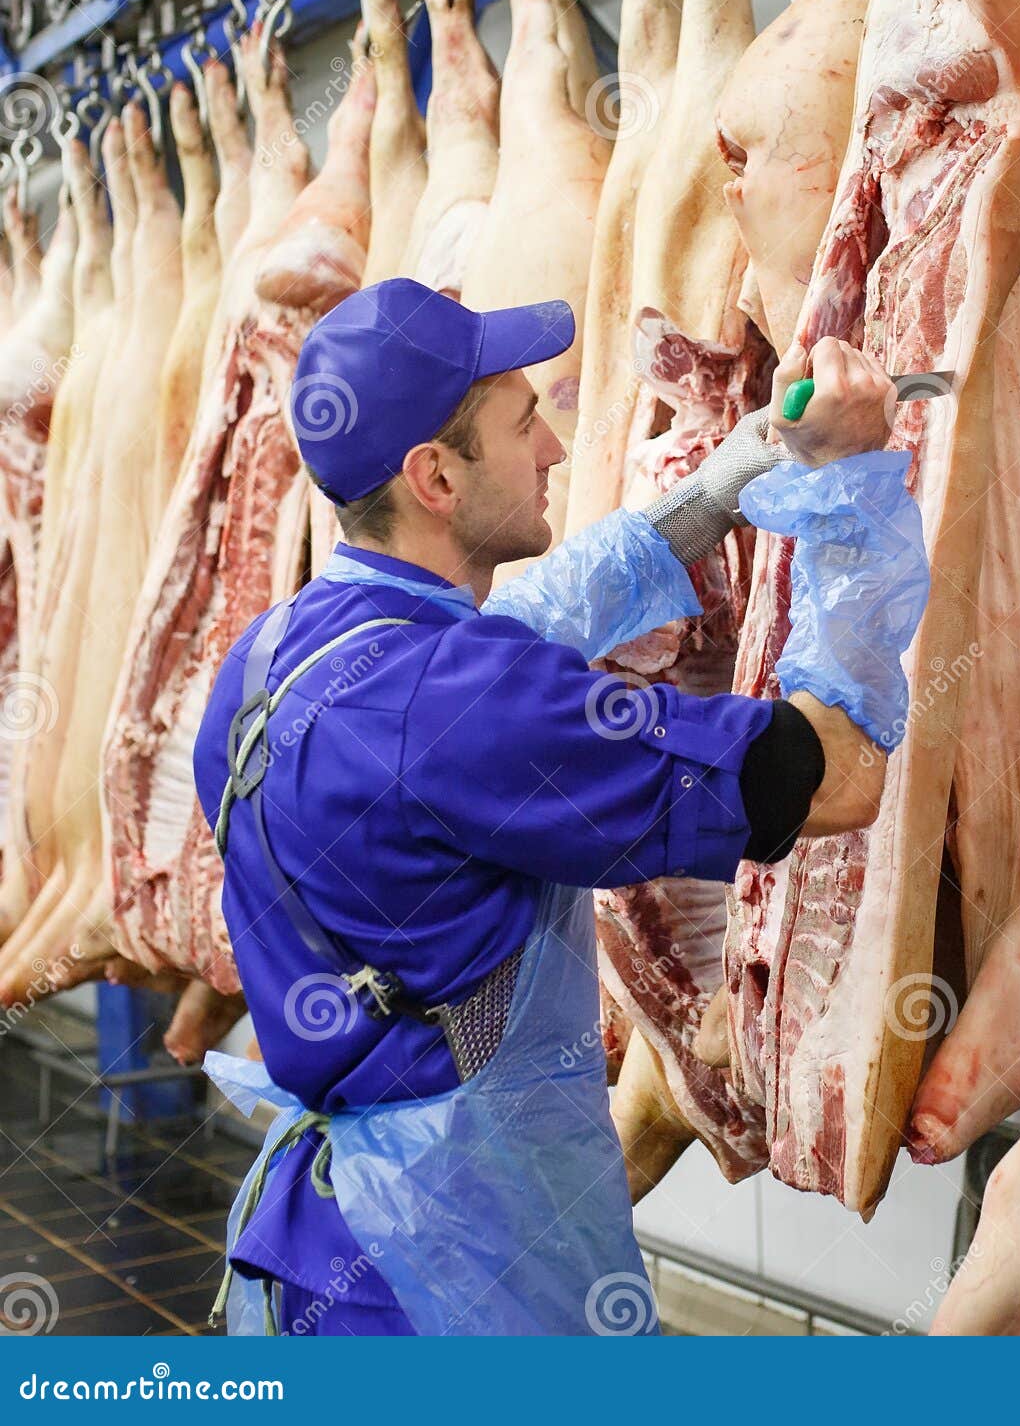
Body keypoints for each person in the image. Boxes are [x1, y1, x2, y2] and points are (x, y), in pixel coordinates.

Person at [194, 277, 930, 1336]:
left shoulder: (275, 657)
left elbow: (519, 632)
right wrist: (851, 497)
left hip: (318, 1248)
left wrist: (724, 480)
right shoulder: (464, 708)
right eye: (521, 420)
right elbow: (836, 772)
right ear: (434, 476)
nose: (550, 448)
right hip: (453, 1280)